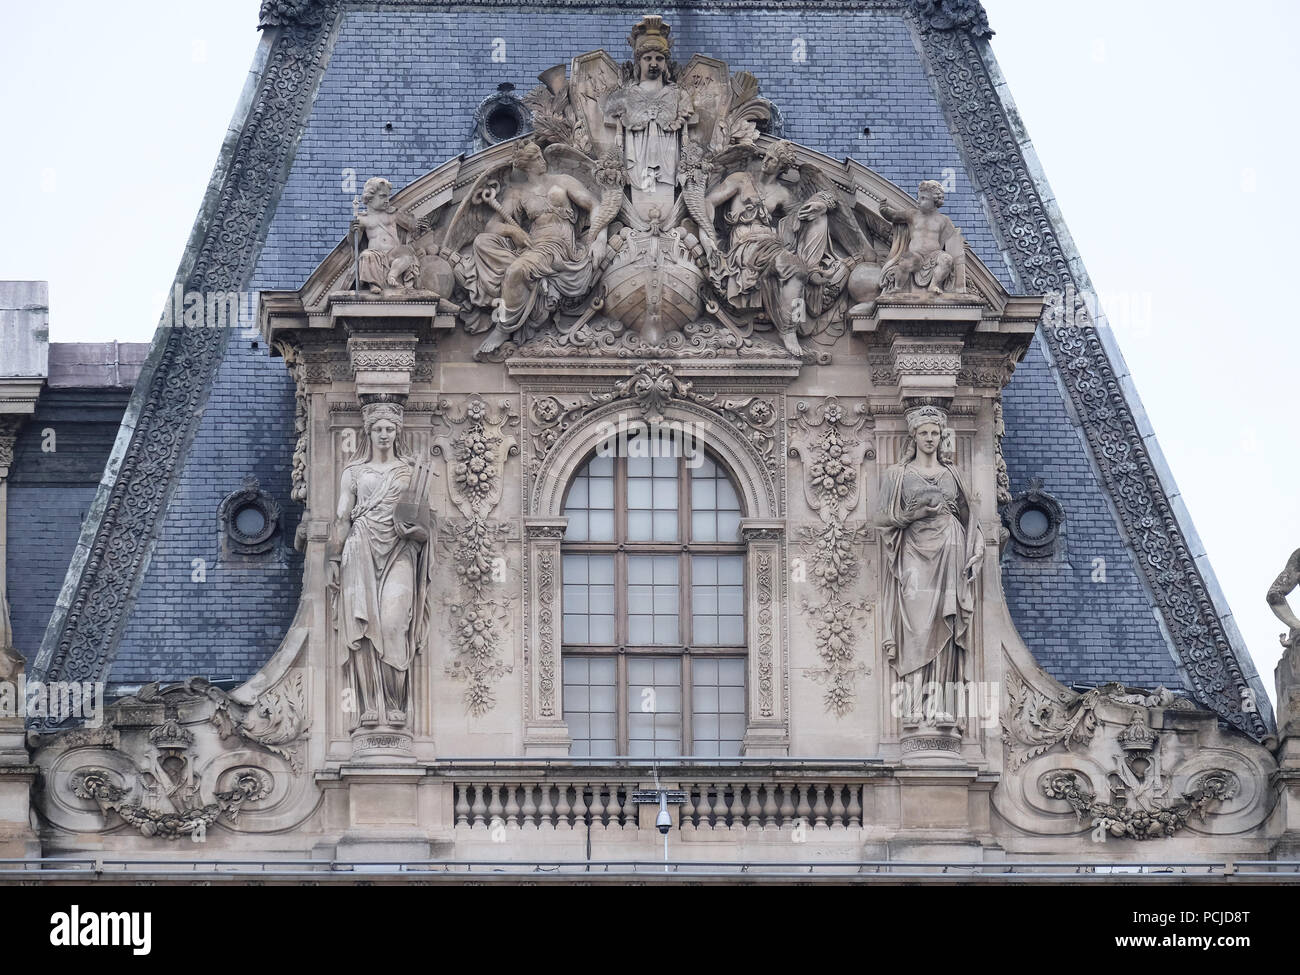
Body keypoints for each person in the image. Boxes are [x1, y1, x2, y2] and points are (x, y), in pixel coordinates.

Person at [329, 398, 434, 729]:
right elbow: (341, 517)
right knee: (362, 629)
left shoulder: (410, 473)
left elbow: (427, 523)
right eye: (378, 429)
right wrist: (333, 556)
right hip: (359, 549)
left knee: (391, 624)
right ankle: (371, 706)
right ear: (368, 432)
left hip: (400, 550)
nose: (384, 434)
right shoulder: (354, 473)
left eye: (390, 429)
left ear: (398, 431)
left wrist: (418, 533)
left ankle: (394, 702)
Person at [876, 403, 984, 725]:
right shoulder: (897, 475)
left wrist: (976, 548)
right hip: (913, 552)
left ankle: (941, 706)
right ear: (914, 435)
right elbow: (882, 518)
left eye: (935, 433)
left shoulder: (953, 474)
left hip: (950, 548)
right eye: (924, 433)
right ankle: (912, 703)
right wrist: (914, 515)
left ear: (941, 436)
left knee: (945, 626)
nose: (930, 438)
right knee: (915, 627)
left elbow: (971, 518)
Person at [461, 140, 599, 354]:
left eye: (540, 156)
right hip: (534, 244)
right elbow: (491, 227)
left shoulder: (562, 181)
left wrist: (599, 239)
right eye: (535, 158)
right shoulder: (518, 193)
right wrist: (513, 231)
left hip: (558, 244)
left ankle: (503, 326)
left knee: (516, 270)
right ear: (525, 166)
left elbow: (594, 205)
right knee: (481, 242)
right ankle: (534, 279)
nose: (541, 161)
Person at [879, 180, 965, 296]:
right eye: (918, 197)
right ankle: (898, 287)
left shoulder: (943, 220)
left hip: (934, 255)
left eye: (923, 198)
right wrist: (884, 210)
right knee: (904, 262)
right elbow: (894, 216)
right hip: (916, 255)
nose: (918, 201)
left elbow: (953, 239)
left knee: (947, 260)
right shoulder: (912, 214)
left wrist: (960, 246)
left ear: (935, 201)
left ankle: (933, 284)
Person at [351, 177, 420, 294]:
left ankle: (392, 275)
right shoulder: (362, 219)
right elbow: (354, 243)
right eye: (383, 196)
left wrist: (414, 221)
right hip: (376, 255)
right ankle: (374, 284)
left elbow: (412, 226)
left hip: (394, 253)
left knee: (407, 252)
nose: (387, 200)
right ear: (370, 198)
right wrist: (352, 231)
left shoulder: (392, 214)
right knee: (365, 255)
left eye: (388, 196)